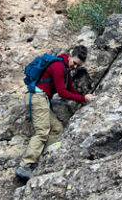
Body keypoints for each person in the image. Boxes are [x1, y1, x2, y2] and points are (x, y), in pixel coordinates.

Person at [16, 45, 96, 180]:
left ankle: (42, 162)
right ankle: (25, 165)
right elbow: (62, 92)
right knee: (42, 131)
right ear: (70, 56)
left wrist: (81, 101)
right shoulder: (58, 67)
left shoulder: (65, 68)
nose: (75, 67)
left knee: (57, 129)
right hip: (38, 98)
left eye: (78, 65)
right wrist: (82, 98)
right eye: (75, 63)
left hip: (43, 100)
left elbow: (70, 87)